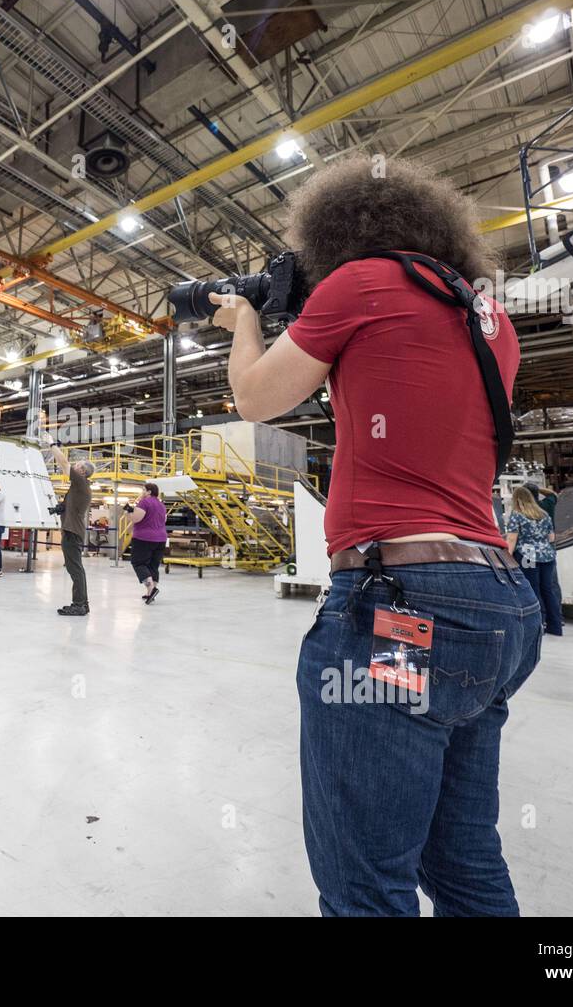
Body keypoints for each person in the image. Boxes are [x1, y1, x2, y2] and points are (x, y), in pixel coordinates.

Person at [210, 153, 541, 916]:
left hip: (399, 605)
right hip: (498, 601)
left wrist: (248, 322)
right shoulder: (491, 320)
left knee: (366, 882)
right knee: (462, 860)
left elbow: (254, 398)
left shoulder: (360, 284)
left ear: (335, 233)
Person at [504, 486, 563, 636]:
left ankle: (537, 624)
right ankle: (555, 626)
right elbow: (552, 538)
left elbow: (511, 539)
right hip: (547, 555)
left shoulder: (517, 515)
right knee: (547, 589)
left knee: (532, 588)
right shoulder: (544, 514)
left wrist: (507, 558)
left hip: (528, 555)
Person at [49, 445, 93, 617]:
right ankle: (83, 603)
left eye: (77, 465)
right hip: (72, 530)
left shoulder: (80, 482)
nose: (74, 466)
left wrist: (52, 445)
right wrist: (61, 508)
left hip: (72, 532)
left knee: (75, 569)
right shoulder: (78, 487)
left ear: (82, 471)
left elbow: (63, 463)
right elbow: (73, 508)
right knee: (76, 569)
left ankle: (79, 605)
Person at [124, 482, 168, 604]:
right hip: (161, 538)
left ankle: (151, 588)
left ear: (149, 492)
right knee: (153, 565)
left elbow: (136, 518)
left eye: (143, 490)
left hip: (144, 538)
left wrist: (128, 513)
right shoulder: (161, 505)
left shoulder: (144, 502)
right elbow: (164, 520)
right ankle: (150, 594)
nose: (141, 492)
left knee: (138, 563)